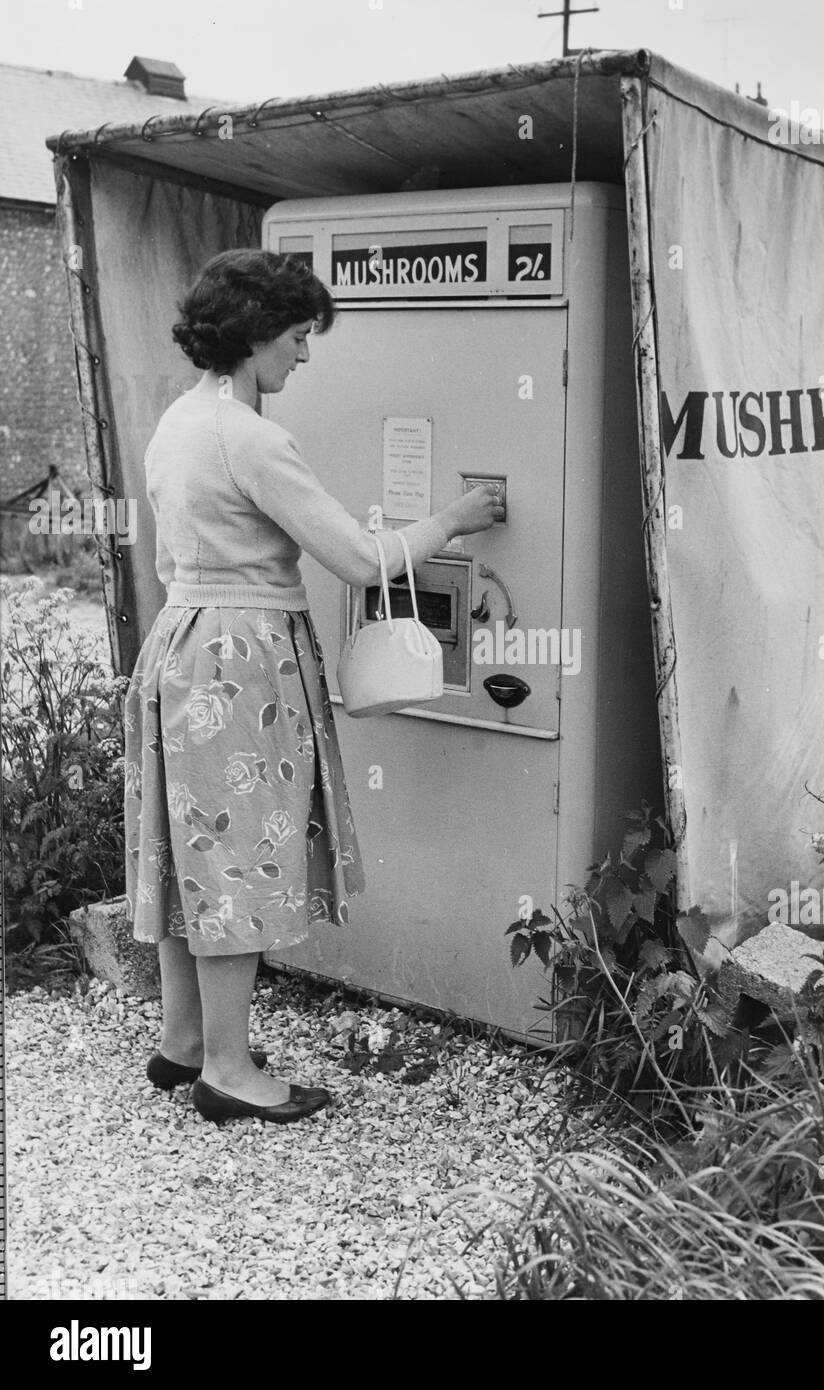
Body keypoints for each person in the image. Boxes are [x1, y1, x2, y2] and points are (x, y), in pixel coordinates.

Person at [123, 249, 501, 1125]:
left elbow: (167, 560)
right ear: (256, 335)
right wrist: (455, 517)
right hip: (243, 657)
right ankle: (228, 1069)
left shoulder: (176, 423)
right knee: (242, 858)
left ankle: (184, 1043)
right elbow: (358, 559)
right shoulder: (251, 437)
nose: (304, 355)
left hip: (181, 643)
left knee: (191, 853)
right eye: (297, 337)